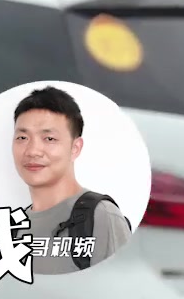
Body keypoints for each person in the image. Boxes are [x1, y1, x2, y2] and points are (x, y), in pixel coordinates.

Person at [13, 85, 134, 275]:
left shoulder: (101, 216)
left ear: (75, 148)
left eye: (49, 139)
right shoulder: (13, 226)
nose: (33, 151)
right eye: (22, 137)